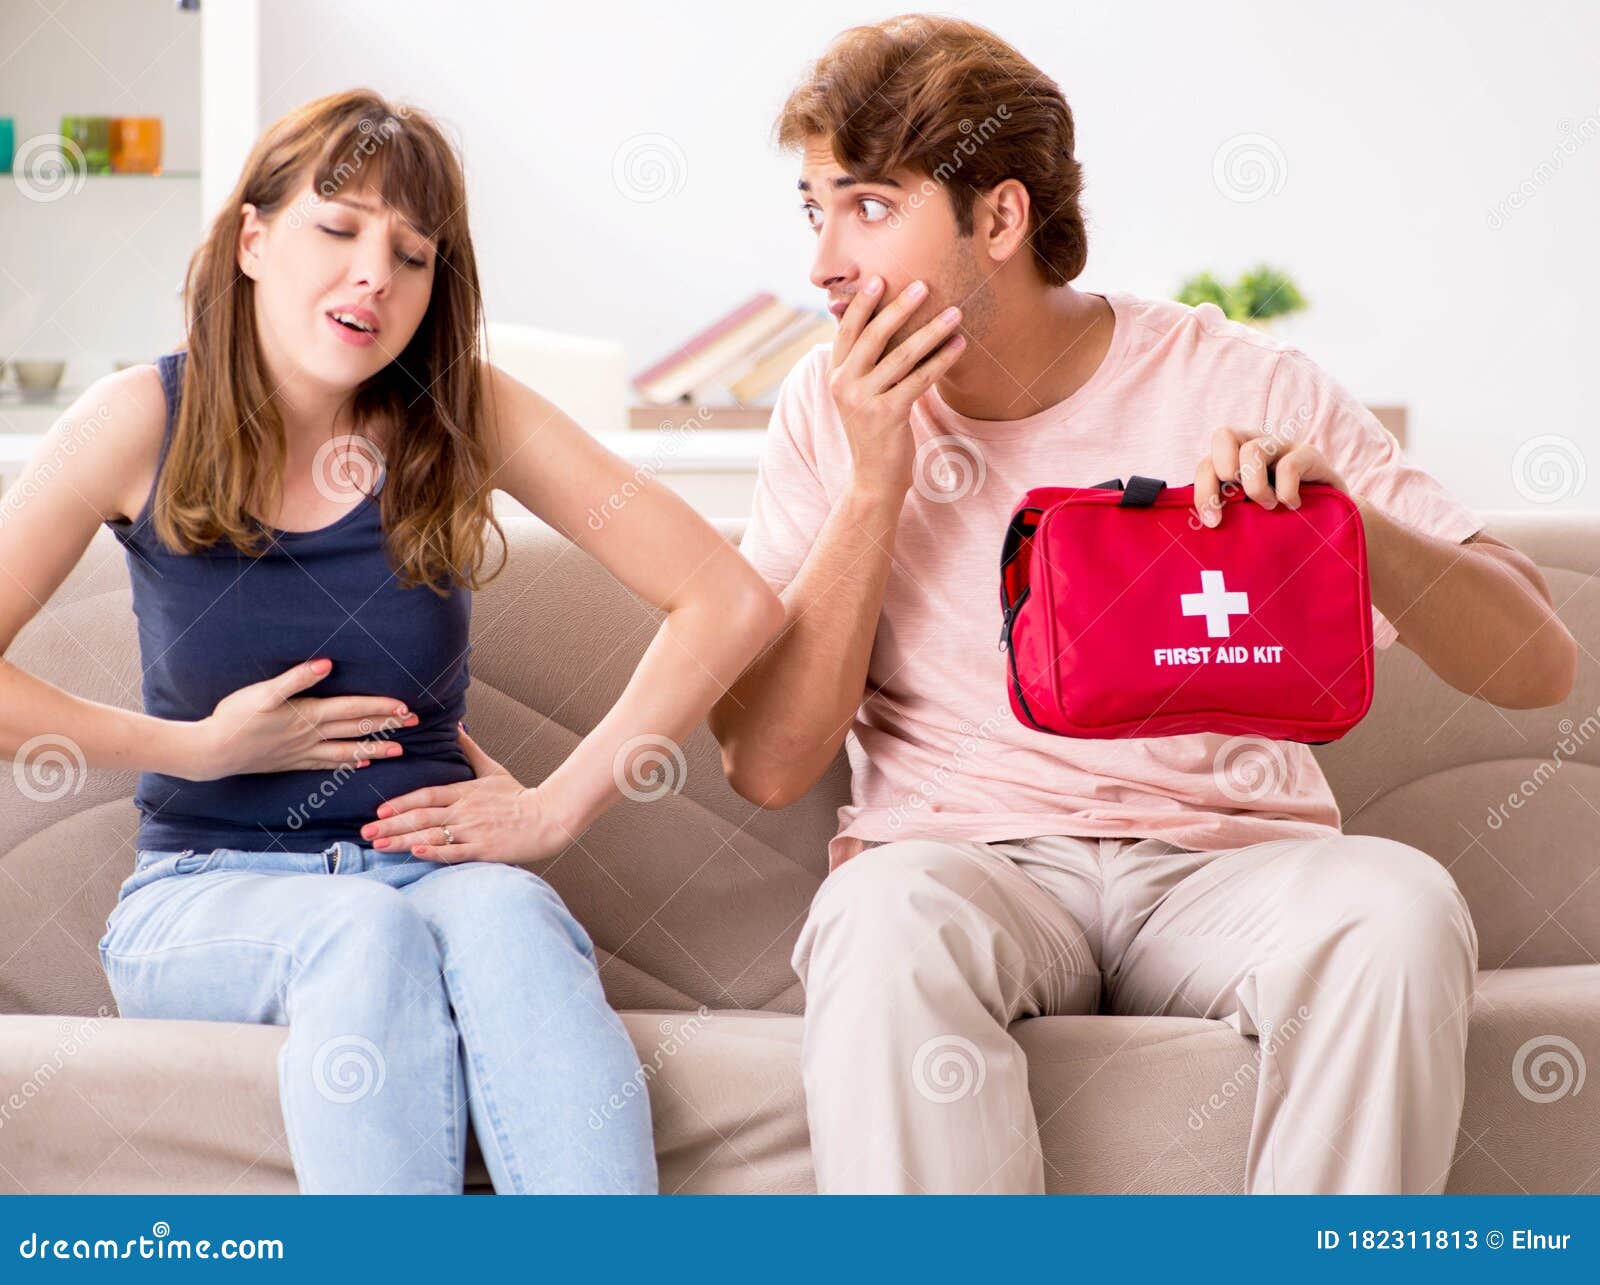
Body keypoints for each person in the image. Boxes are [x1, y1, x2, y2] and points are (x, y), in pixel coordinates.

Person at [709, 14, 1577, 1194]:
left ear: (999, 217)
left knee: (1399, 906)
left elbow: (1538, 664)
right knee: (878, 921)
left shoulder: (1240, 379)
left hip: (1230, 864)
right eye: (815, 210)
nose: (822, 264)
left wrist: (1346, 529)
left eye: (867, 206)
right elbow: (767, 761)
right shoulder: (828, 408)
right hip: (968, 863)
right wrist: (874, 483)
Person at [0, 90, 782, 1194]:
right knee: (360, 934)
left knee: (513, 914)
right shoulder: (137, 420)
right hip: (204, 891)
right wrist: (191, 749)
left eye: (412, 253)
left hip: (435, 872)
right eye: (339, 228)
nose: (376, 272)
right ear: (253, 241)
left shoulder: (464, 410)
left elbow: (727, 598)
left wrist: (554, 808)